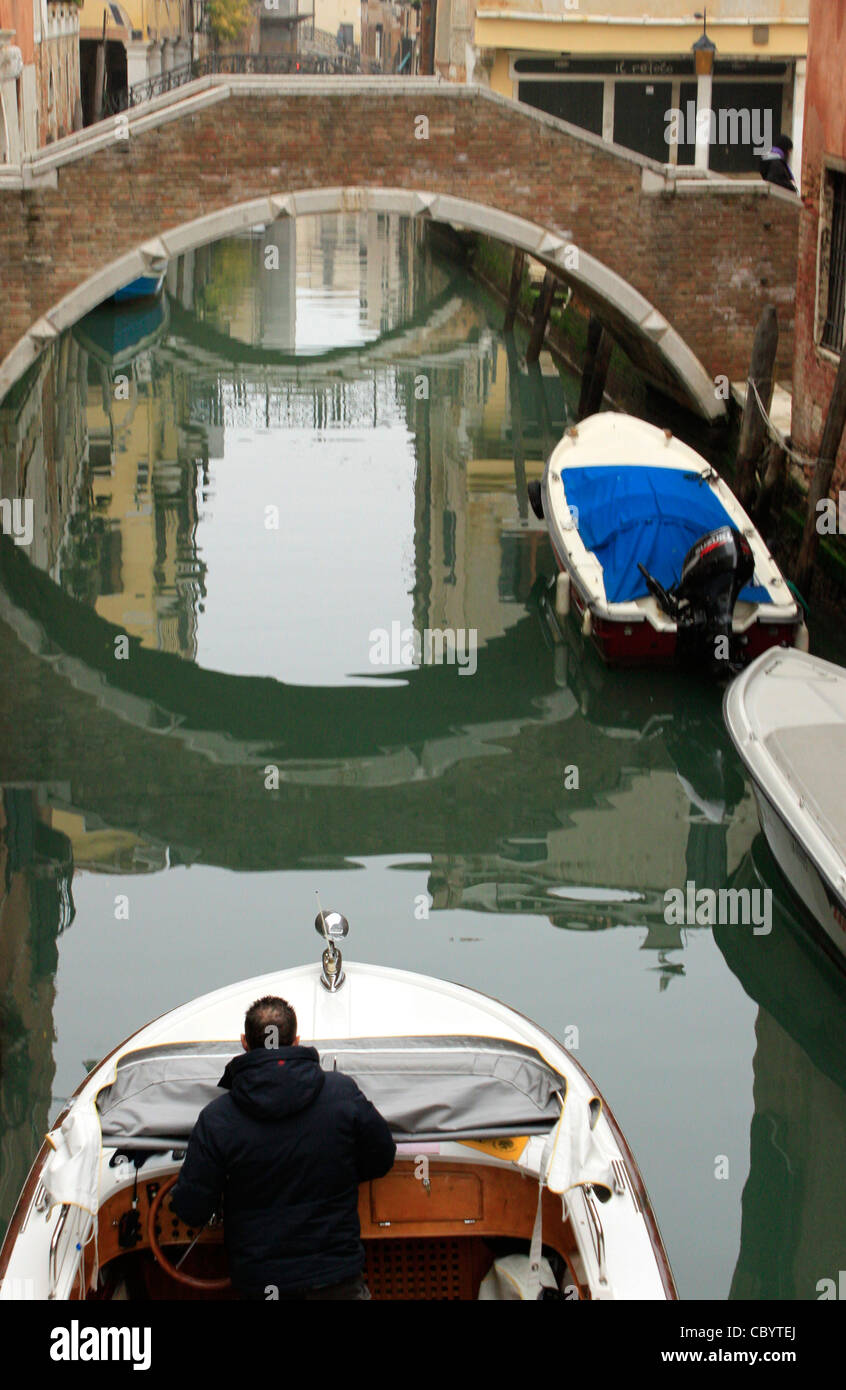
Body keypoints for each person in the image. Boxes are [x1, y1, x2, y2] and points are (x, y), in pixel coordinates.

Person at [170, 995, 396, 1300]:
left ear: (244, 1043)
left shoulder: (218, 1119)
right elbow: (382, 1158)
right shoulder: (341, 1093)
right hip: (336, 1280)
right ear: (297, 1040)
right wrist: (339, 1171)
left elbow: (192, 1209)